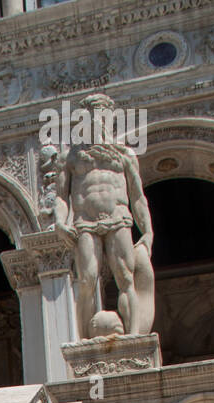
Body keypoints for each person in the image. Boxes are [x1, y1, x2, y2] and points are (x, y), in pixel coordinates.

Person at [54, 92, 155, 339]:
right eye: (91, 116)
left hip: (118, 216)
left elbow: (138, 197)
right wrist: (58, 222)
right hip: (85, 222)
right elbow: (60, 196)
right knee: (87, 279)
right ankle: (86, 340)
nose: (97, 121)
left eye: (102, 116)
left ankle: (133, 337)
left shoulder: (125, 154)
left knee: (125, 277)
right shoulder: (69, 157)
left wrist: (148, 232)